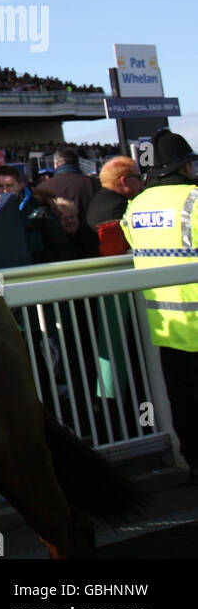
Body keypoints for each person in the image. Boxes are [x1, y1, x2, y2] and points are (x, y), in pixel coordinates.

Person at [121, 129, 198, 481]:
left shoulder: (136, 205)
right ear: (181, 167)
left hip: (166, 327)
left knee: (184, 402)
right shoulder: (194, 199)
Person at [0, 165, 74, 263]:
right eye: (0, 186)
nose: (5, 190)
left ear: (21, 186)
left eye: (10, 185)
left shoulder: (40, 212)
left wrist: (33, 259)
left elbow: (63, 249)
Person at [87, 155, 144, 256]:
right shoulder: (119, 208)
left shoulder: (95, 201)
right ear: (124, 181)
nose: (142, 183)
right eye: (139, 178)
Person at [42, 147, 97, 225]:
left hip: (56, 235)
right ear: (78, 164)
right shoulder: (95, 184)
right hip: (93, 234)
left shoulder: (42, 189)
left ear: (56, 164)